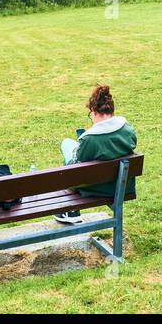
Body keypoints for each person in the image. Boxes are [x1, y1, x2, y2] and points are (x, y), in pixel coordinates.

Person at [55, 84, 137, 225]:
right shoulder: (127, 129)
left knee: (67, 144)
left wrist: (78, 147)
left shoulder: (90, 139)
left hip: (97, 187)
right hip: (123, 185)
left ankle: (71, 210)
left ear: (94, 111)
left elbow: (72, 168)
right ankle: (71, 211)